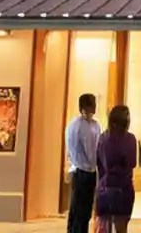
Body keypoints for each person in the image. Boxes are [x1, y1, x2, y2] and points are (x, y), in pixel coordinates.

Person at [95, 105, 137, 233]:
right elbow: (132, 163)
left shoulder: (102, 138)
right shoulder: (129, 139)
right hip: (122, 188)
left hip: (104, 187)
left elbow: (98, 163)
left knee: (103, 227)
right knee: (121, 228)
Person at [65, 93, 102, 233]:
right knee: (81, 209)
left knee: (78, 208)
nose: (94, 108)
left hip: (85, 170)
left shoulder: (93, 124)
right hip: (83, 171)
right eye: (91, 105)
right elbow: (90, 151)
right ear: (84, 107)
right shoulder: (81, 126)